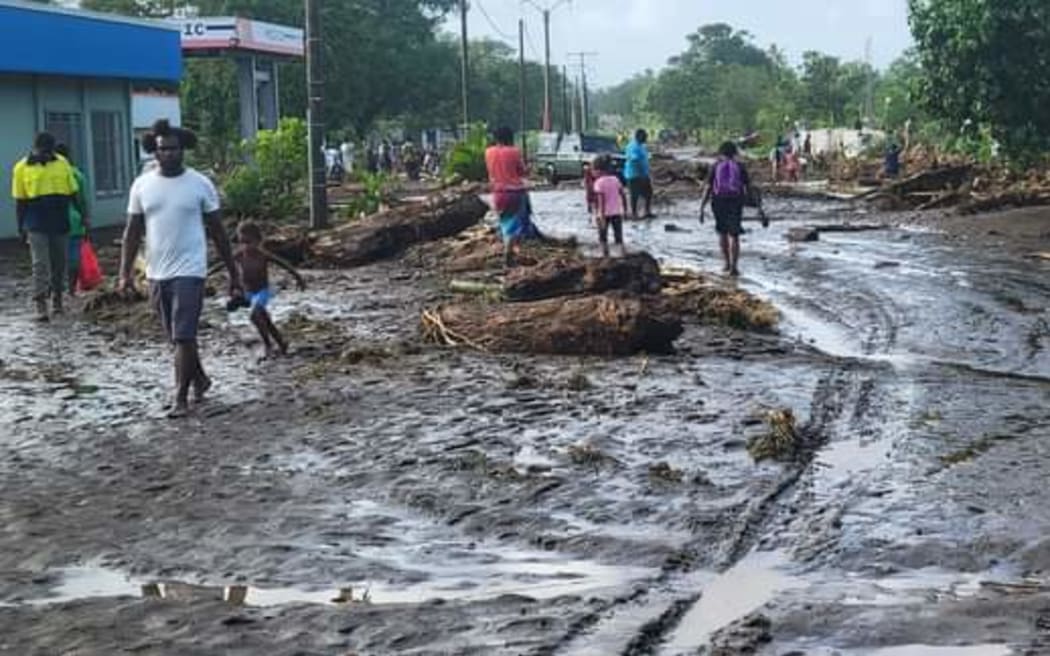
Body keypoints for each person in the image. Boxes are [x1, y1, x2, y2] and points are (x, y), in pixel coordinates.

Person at [118, 119, 241, 418]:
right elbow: (132, 232)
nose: (169, 154)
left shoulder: (200, 184)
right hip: (157, 272)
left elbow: (218, 232)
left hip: (191, 270)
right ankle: (199, 378)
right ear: (154, 152)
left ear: (183, 149)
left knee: (184, 335)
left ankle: (180, 397)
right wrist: (124, 274)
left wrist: (233, 273)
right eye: (162, 150)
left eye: (174, 149)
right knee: (177, 337)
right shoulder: (142, 185)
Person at [11, 132, 86, 321]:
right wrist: (20, 228)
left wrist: (83, 215)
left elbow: (73, 194)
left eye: (49, 152)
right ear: (35, 149)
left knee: (59, 263)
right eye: (43, 152)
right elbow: (20, 201)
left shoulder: (62, 163)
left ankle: (58, 301)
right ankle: (40, 304)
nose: (46, 155)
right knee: (40, 264)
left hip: (59, 220)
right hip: (35, 221)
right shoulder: (21, 168)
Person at [214, 221, 306, 359]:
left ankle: (268, 345)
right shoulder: (239, 255)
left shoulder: (263, 255)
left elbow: (285, 265)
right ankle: (282, 343)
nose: (245, 246)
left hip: (263, 291)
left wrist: (299, 278)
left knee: (255, 316)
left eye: (248, 242)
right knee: (265, 319)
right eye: (242, 242)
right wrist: (203, 276)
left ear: (258, 241)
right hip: (248, 293)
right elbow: (223, 265)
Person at [700, 141, 761, 277]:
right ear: (734, 153)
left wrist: (702, 207)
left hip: (718, 201)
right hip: (735, 201)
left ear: (721, 152)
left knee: (722, 233)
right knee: (735, 234)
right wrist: (758, 207)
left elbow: (708, 188)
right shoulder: (740, 166)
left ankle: (726, 263)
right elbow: (749, 188)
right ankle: (734, 267)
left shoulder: (715, 166)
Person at [485, 126, 533, 267]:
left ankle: (512, 250)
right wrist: (528, 167)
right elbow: (522, 172)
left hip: (498, 194)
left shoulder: (488, 152)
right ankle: (509, 252)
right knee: (516, 225)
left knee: (506, 223)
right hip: (515, 193)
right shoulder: (514, 152)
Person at [53, 144, 91, 297]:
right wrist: (86, 218)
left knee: (55, 257)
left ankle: (56, 289)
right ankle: (71, 289)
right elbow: (83, 200)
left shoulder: (51, 175)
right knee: (74, 255)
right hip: (75, 220)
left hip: (54, 222)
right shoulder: (77, 174)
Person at [592, 156, 628, 258]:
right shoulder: (615, 179)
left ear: (599, 170)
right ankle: (622, 255)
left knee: (603, 238)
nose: (593, 173)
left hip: (604, 214)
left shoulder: (598, 183)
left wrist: (601, 216)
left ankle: (605, 256)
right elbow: (623, 195)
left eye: (593, 171)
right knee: (618, 236)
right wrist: (625, 210)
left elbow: (601, 201)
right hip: (617, 213)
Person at [623, 128, 654, 219]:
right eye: (645, 137)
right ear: (639, 136)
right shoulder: (633, 146)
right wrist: (641, 174)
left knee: (648, 193)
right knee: (634, 195)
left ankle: (647, 211)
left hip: (644, 174)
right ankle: (634, 213)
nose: (646, 138)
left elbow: (644, 159)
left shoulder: (642, 146)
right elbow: (634, 160)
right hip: (634, 175)